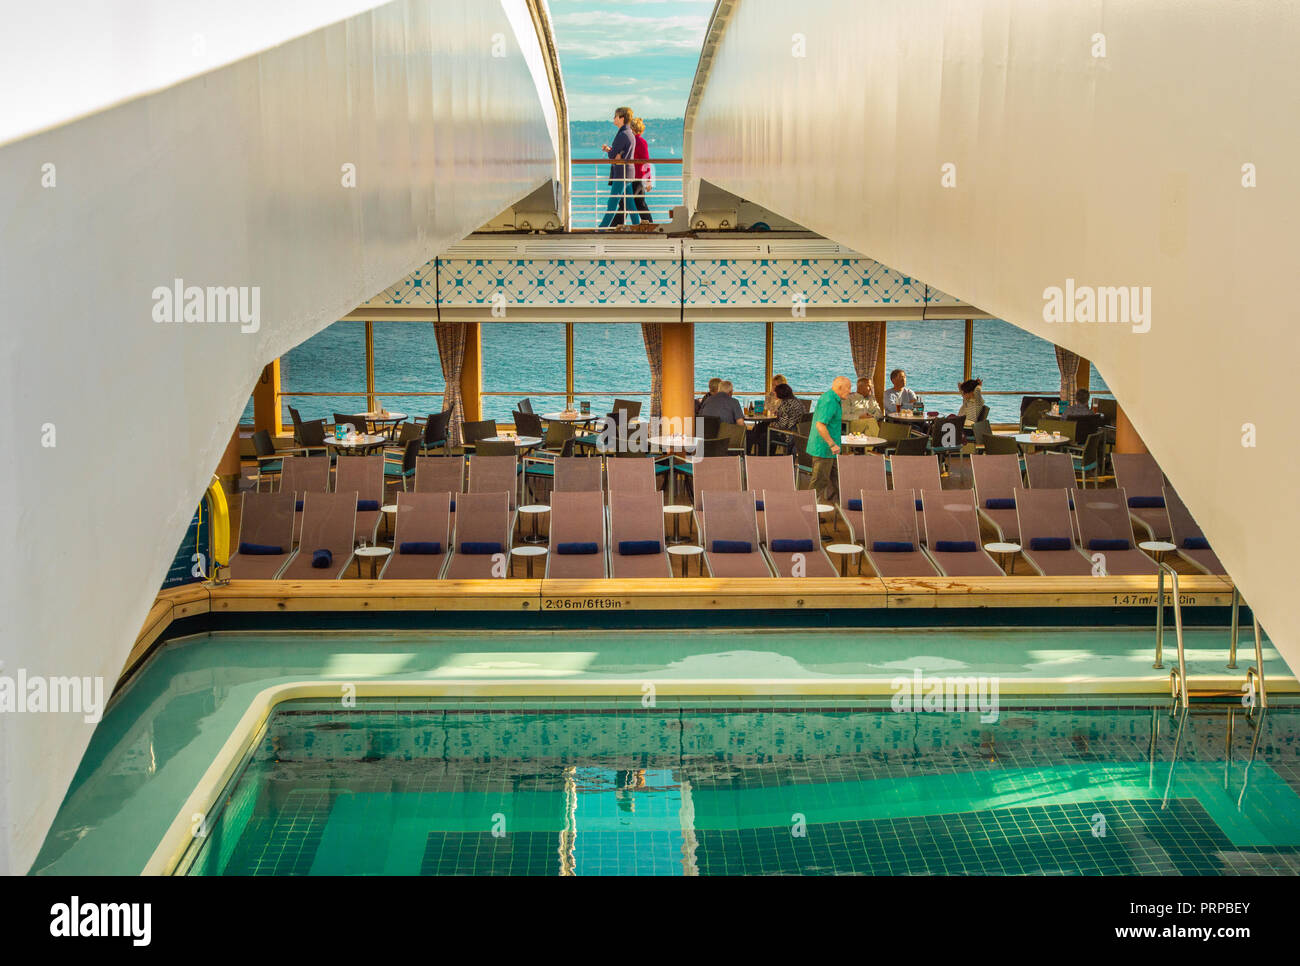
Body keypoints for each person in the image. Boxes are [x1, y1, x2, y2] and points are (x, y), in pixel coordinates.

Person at [807, 376, 851, 505]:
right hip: (824, 448)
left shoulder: (832, 398)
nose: (850, 391)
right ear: (839, 388)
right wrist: (832, 444)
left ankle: (844, 508)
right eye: (848, 388)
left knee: (838, 479)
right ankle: (810, 514)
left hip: (829, 449)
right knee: (818, 483)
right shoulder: (830, 401)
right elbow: (820, 425)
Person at [598, 107, 636, 229]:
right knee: (630, 203)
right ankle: (638, 225)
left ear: (622, 118)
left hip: (621, 173)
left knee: (612, 202)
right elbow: (617, 154)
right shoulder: (629, 133)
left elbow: (613, 155)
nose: (613, 118)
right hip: (628, 172)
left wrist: (611, 152)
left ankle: (602, 228)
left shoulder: (622, 134)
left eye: (615, 116)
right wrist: (614, 152)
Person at [628, 117, 653, 225]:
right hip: (637, 178)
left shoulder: (637, 141)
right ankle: (650, 225)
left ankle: (614, 225)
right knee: (639, 203)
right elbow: (646, 163)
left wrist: (648, 180)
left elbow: (645, 162)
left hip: (636, 178)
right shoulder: (639, 141)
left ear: (632, 128)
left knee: (627, 203)